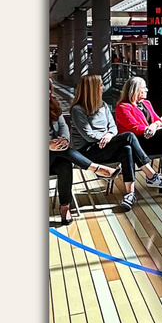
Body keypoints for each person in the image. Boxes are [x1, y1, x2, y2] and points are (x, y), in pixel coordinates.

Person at [69, 74, 162, 210]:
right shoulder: (78, 110)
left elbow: (113, 128)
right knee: (129, 136)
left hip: (104, 146)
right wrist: (107, 136)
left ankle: (130, 194)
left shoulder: (104, 106)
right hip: (87, 152)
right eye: (100, 85)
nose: (103, 88)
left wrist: (109, 135)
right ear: (92, 89)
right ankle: (151, 176)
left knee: (127, 148)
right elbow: (89, 136)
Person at [48, 79, 117, 225]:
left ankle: (65, 207)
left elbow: (63, 126)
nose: (48, 93)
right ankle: (96, 168)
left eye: (49, 90)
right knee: (62, 152)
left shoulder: (53, 106)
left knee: (65, 164)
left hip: (56, 155)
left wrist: (65, 139)